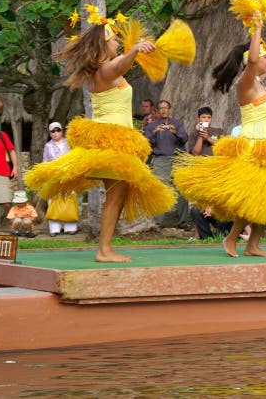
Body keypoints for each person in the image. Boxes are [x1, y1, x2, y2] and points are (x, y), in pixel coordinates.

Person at [25, 21, 175, 262]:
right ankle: (104, 250)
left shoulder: (103, 70)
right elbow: (120, 64)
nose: (117, 42)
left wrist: (136, 52)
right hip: (112, 140)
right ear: (104, 46)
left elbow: (121, 65)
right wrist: (134, 50)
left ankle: (106, 247)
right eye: (114, 40)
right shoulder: (105, 70)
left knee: (118, 194)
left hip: (115, 139)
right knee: (115, 196)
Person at [173, 11, 266, 257]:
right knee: (253, 199)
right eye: (262, 58)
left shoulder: (260, 81)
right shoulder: (245, 84)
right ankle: (230, 238)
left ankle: (253, 245)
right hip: (252, 149)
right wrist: (256, 28)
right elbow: (252, 62)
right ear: (252, 60)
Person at [183, 106, 229, 240]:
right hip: (201, 174)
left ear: (211, 119)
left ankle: (223, 234)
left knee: (221, 205)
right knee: (197, 209)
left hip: (218, 173)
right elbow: (195, 153)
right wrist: (200, 137)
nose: (206, 119)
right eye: (203, 117)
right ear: (198, 119)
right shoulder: (194, 134)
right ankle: (206, 237)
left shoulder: (218, 131)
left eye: (208, 117)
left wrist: (208, 137)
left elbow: (222, 148)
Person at [145, 99, 189, 227]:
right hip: (160, 159)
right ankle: (157, 222)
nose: (163, 110)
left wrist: (175, 133)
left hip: (177, 158)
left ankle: (183, 222)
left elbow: (184, 138)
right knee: (161, 189)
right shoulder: (152, 125)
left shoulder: (178, 123)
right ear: (158, 110)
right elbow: (146, 144)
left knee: (180, 189)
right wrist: (154, 133)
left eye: (166, 108)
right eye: (161, 108)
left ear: (170, 110)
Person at [42, 121, 79, 236]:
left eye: (58, 130)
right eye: (52, 131)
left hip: (68, 175)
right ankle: (54, 229)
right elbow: (45, 161)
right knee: (53, 201)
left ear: (62, 131)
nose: (55, 133)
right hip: (54, 177)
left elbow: (75, 158)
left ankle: (71, 227)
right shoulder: (48, 146)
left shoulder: (69, 143)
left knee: (70, 198)